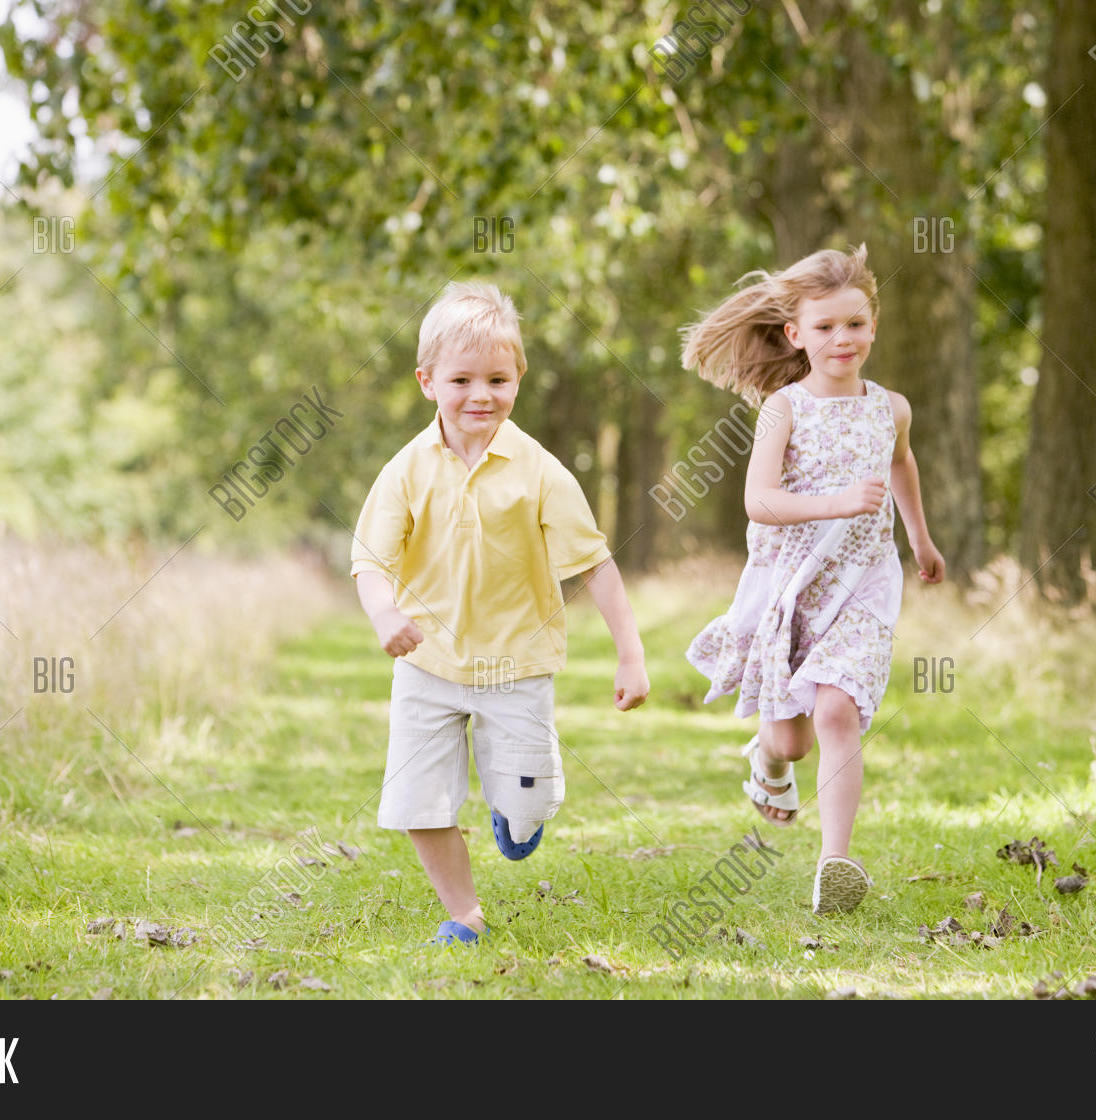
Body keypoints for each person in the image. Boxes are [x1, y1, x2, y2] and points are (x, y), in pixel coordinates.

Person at [350, 280, 651, 946]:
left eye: (497, 378)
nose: (480, 395)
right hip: (428, 663)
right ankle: (464, 916)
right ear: (428, 381)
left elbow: (593, 562)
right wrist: (384, 617)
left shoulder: (540, 471)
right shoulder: (404, 471)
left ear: (519, 378)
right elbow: (370, 561)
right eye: (461, 379)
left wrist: (630, 652)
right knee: (416, 800)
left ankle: (519, 818)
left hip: (516, 666)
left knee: (527, 802)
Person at [683, 245, 944, 915]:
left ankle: (836, 864)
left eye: (855, 324)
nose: (842, 339)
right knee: (791, 740)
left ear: (874, 326)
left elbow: (901, 467)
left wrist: (918, 536)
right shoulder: (784, 408)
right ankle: (768, 765)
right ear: (796, 334)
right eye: (825, 327)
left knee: (837, 709)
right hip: (789, 585)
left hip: (863, 581)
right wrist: (834, 502)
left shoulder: (892, 408)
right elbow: (758, 501)